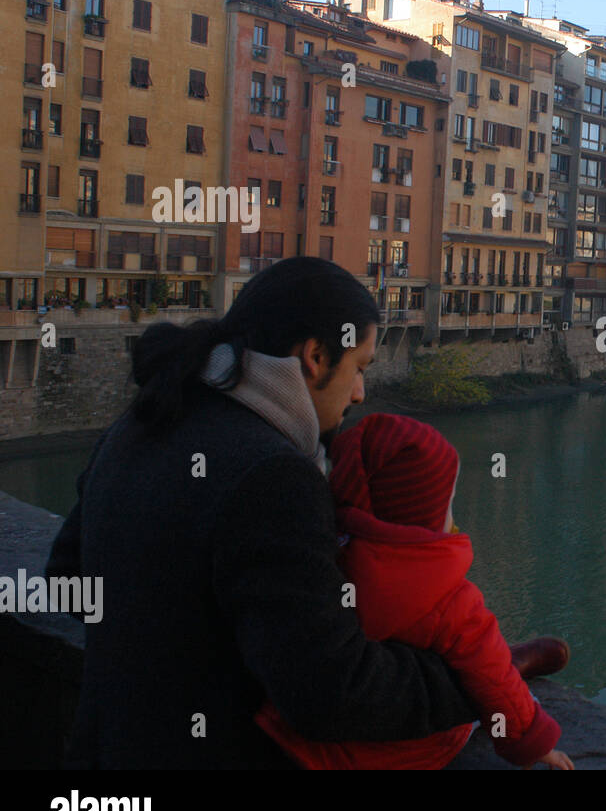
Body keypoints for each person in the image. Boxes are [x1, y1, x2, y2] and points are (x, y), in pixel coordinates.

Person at [44, 258, 484, 768]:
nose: (361, 392)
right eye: (359, 368)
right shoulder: (274, 477)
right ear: (315, 356)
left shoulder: (142, 422)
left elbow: (66, 580)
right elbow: (329, 691)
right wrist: (472, 679)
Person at [255, 413, 574, 769]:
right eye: (449, 503)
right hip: (396, 755)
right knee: (482, 673)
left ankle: (510, 659)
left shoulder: (322, 554)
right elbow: (495, 683)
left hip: (304, 746)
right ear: (428, 515)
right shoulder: (449, 595)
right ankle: (515, 666)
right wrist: (533, 744)